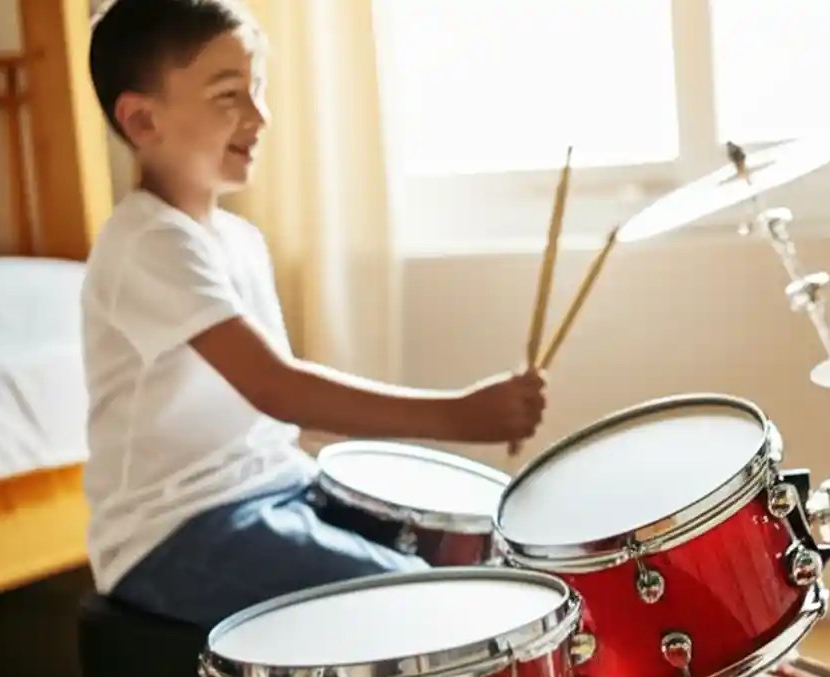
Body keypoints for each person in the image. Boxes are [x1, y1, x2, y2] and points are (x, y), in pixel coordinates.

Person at [82, 0, 546, 629]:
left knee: (484, 553)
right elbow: (279, 387)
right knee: (422, 599)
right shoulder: (147, 244)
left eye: (259, 89)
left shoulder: (238, 238)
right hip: (174, 534)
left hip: (277, 486)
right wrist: (460, 414)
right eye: (229, 96)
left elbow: (269, 409)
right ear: (142, 119)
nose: (260, 116)